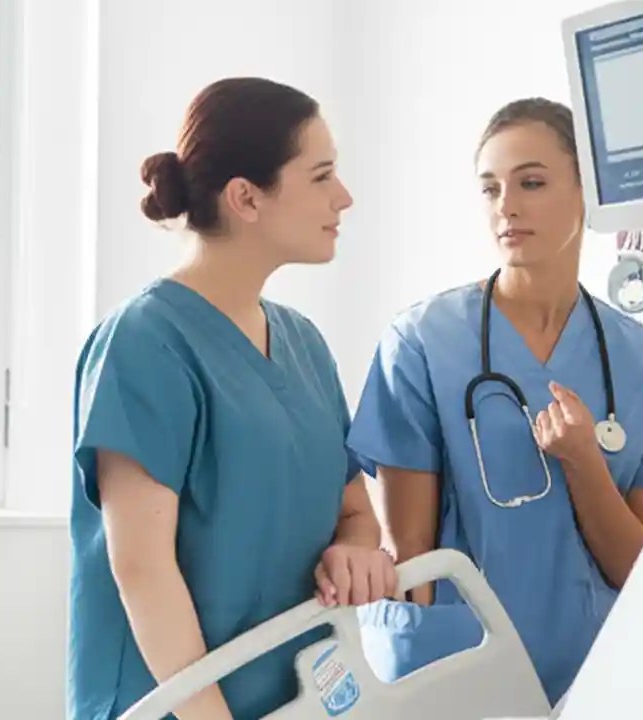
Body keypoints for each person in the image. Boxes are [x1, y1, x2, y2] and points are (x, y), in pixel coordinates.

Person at [348, 98, 643, 705]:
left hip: (599, 678)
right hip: (458, 673)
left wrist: (585, 460)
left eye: (531, 182)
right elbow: (415, 564)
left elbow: (641, 572)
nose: (506, 206)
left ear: (586, 190)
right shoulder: (423, 343)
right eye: (490, 189)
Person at [67, 77, 397, 720]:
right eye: (322, 175)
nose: (345, 197)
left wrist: (356, 549)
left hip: (290, 699)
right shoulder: (145, 342)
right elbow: (142, 568)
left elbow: (354, 512)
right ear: (246, 197)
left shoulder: (304, 344)